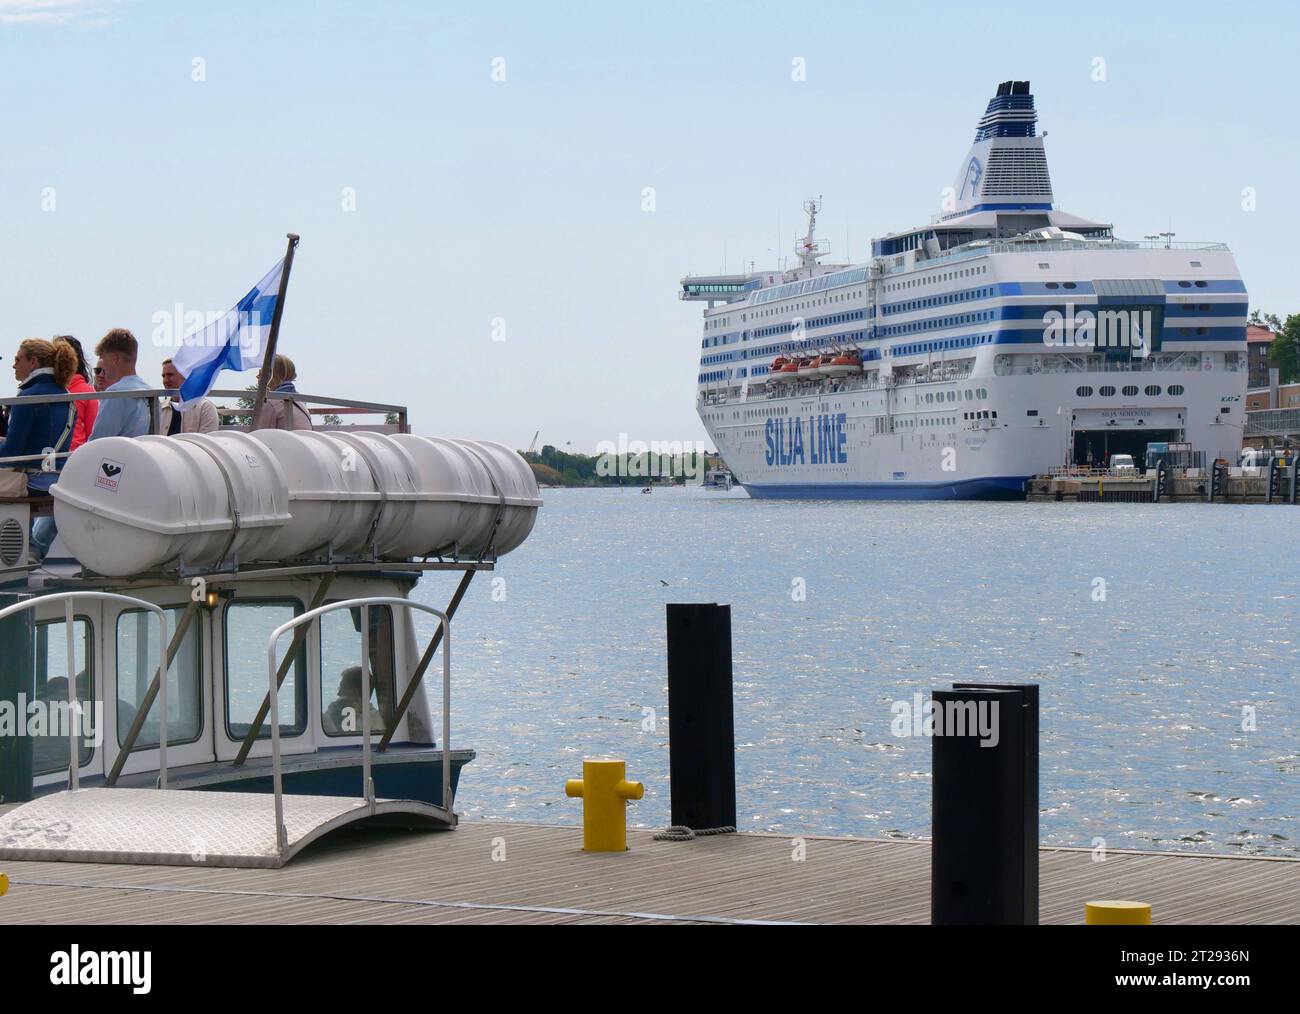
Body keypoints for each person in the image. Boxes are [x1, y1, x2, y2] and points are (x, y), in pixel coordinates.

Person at [0, 339, 78, 559]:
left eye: (17, 359)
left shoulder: (27, 396)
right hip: (57, 479)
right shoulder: (69, 397)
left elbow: (12, 453)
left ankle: (22, 552)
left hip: (32, 481)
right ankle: (30, 548)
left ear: (33, 362)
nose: (13, 365)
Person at [89, 329, 151, 440]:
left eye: (104, 359)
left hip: (119, 456)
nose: (103, 370)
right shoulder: (150, 392)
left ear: (115, 359)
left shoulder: (115, 394)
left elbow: (97, 442)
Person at [54, 336, 98, 451]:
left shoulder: (45, 390)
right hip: (76, 457)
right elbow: (93, 433)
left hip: (49, 457)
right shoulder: (87, 391)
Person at [159, 358, 219, 435]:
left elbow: (206, 444)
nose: (165, 380)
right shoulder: (159, 409)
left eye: (170, 375)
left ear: (185, 376)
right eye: (163, 376)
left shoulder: (205, 408)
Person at [253, 354, 312, 431]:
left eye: (261, 374)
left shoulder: (271, 403)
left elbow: (259, 435)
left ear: (271, 376)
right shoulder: (300, 402)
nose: (257, 376)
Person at [323, 666, 384, 735]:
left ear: (354, 692)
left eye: (342, 688)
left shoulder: (374, 721)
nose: (338, 693)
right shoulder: (335, 711)